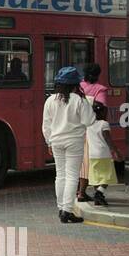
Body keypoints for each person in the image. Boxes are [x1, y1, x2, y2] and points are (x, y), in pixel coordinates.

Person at [42, 65, 94, 224]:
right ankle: (67, 210)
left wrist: (49, 142)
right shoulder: (79, 100)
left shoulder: (50, 100)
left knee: (60, 175)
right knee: (72, 176)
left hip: (56, 142)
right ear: (75, 84)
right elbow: (89, 120)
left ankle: (61, 208)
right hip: (74, 142)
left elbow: (46, 125)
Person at [76, 63, 110, 203]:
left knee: (83, 163)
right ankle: (98, 192)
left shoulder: (78, 87)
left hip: (77, 129)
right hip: (92, 130)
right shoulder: (100, 89)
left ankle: (81, 193)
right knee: (98, 163)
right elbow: (101, 108)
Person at [85, 101, 120, 206]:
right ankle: (99, 193)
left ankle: (98, 197)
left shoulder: (88, 125)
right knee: (107, 176)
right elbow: (108, 139)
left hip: (92, 155)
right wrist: (115, 151)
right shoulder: (104, 124)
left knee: (96, 177)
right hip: (103, 154)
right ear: (101, 113)